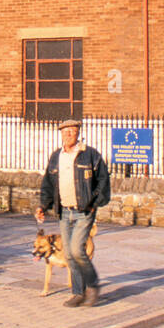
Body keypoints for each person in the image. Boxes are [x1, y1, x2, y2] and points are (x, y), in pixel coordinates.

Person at [36, 117, 110, 306]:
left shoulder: (91, 155)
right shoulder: (56, 157)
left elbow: (103, 181)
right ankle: (78, 293)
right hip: (64, 211)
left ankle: (92, 286)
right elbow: (48, 184)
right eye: (65, 131)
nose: (68, 134)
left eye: (72, 131)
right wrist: (43, 206)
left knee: (77, 250)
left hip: (84, 211)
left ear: (78, 133)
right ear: (60, 133)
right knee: (69, 254)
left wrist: (94, 203)